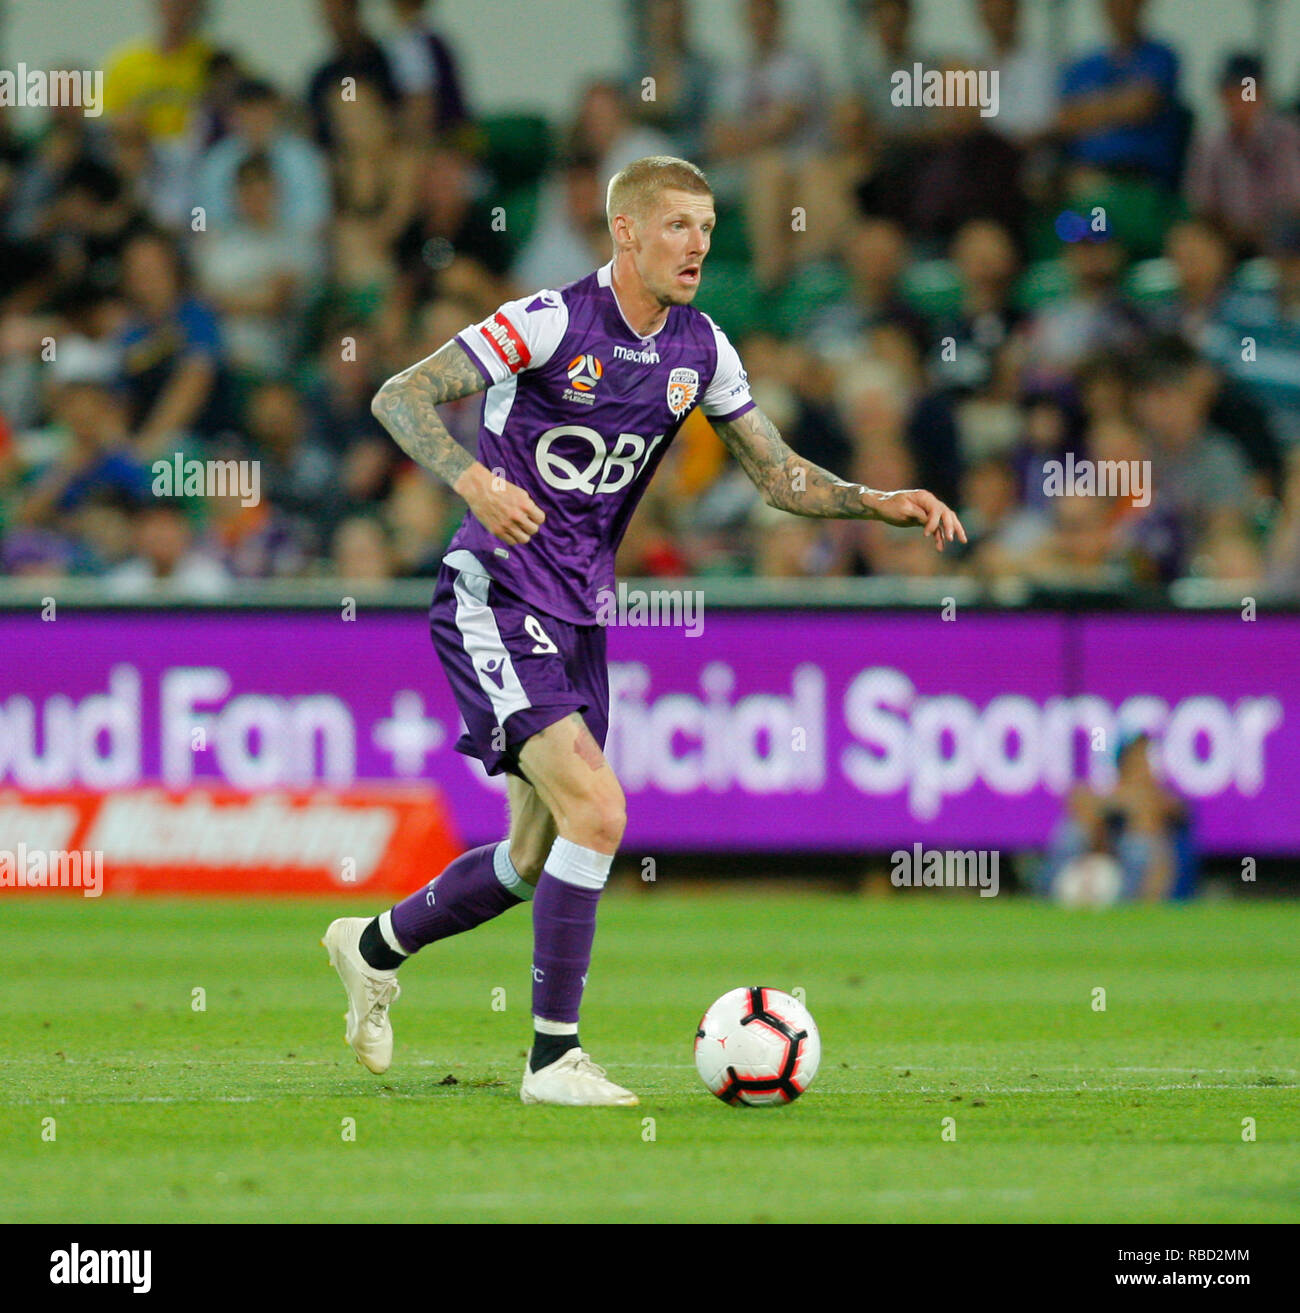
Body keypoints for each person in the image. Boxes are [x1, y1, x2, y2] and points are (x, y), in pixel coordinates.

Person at [325, 154, 965, 1106]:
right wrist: (474, 482)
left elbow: (779, 476)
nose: (699, 244)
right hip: (495, 594)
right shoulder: (549, 322)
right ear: (625, 232)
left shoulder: (702, 348)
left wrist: (880, 501)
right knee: (601, 810)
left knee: (535, 855)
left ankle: (373, 945)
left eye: (707, 227)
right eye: (678, 226)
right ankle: (552, 1061)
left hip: (582, 613)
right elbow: (399, 395)